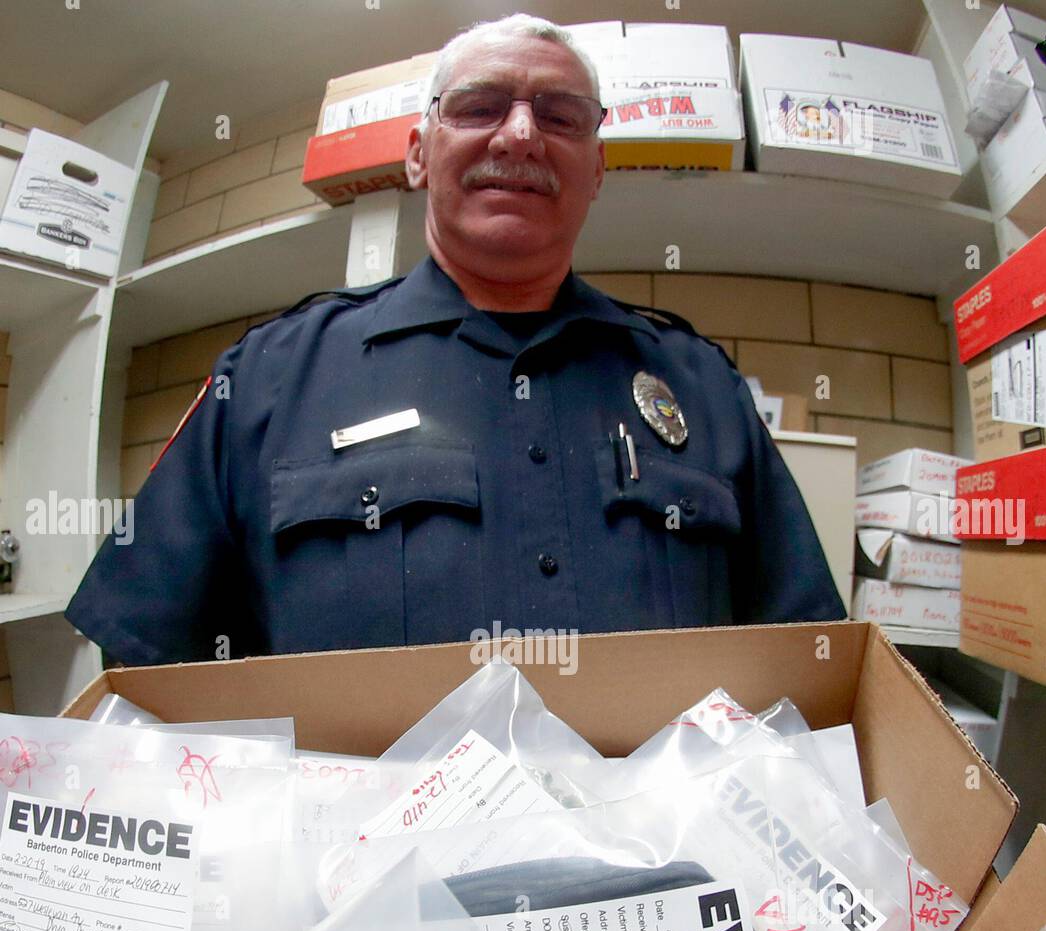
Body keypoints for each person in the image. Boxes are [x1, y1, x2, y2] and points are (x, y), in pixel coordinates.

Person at [66, 12, 845, 666]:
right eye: (478, 107)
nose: (520, 134)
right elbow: (147, 662)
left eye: (560, 115)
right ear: (417, 155)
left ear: (598, 168)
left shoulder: (702, 385)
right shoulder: (268, 376)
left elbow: (810, 662)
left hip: (662, 849)